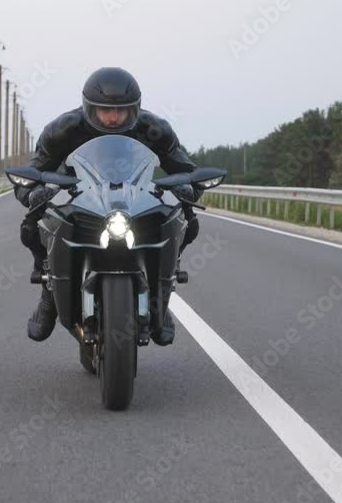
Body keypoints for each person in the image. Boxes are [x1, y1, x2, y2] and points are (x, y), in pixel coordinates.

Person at [14, 67, 204, 345]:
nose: (114, 117)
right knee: (33, 224)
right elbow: (32, 172)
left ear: (134, 109)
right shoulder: (63, 129)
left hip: (135, 199)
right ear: (91, 108)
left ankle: (162, 296)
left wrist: (188, 189)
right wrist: (32, 194)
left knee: (182, 218)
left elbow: (186, 169)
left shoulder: (154, 129)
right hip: (77, 197)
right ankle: (48, 291)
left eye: (122, 111)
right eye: (106, 111)